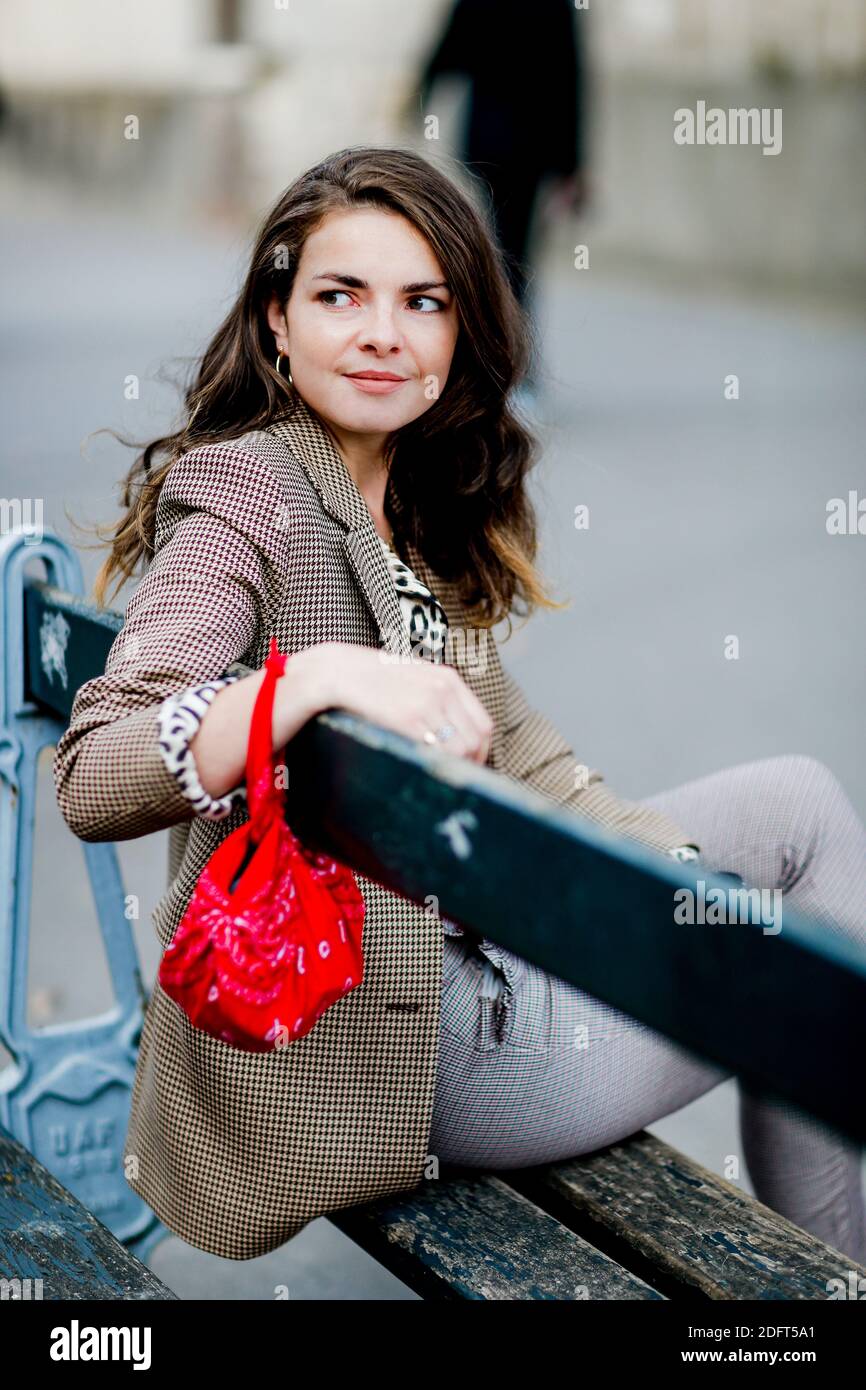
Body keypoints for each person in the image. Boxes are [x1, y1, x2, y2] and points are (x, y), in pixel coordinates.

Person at [54, 146, 865, 1265]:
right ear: (277, 323)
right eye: (340, 295)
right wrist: (310, 681)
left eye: (421, 302)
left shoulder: (397, 509)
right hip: (427, 1054)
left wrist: (661, 897)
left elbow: (531, 757)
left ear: (453, 339)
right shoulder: (248, 496)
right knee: (784, 1002)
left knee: (797, 808)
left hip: (471, 970)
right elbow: (95, 773)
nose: (383, 331)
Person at [415, 0, 588, 320]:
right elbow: (569, 75)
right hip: (532, 146)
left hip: (487, 140)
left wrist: (420, 98)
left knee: (495, 234)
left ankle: (496, 321)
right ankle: (509, 325)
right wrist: (573, 164)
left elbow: (450, 47)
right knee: (516, 244)